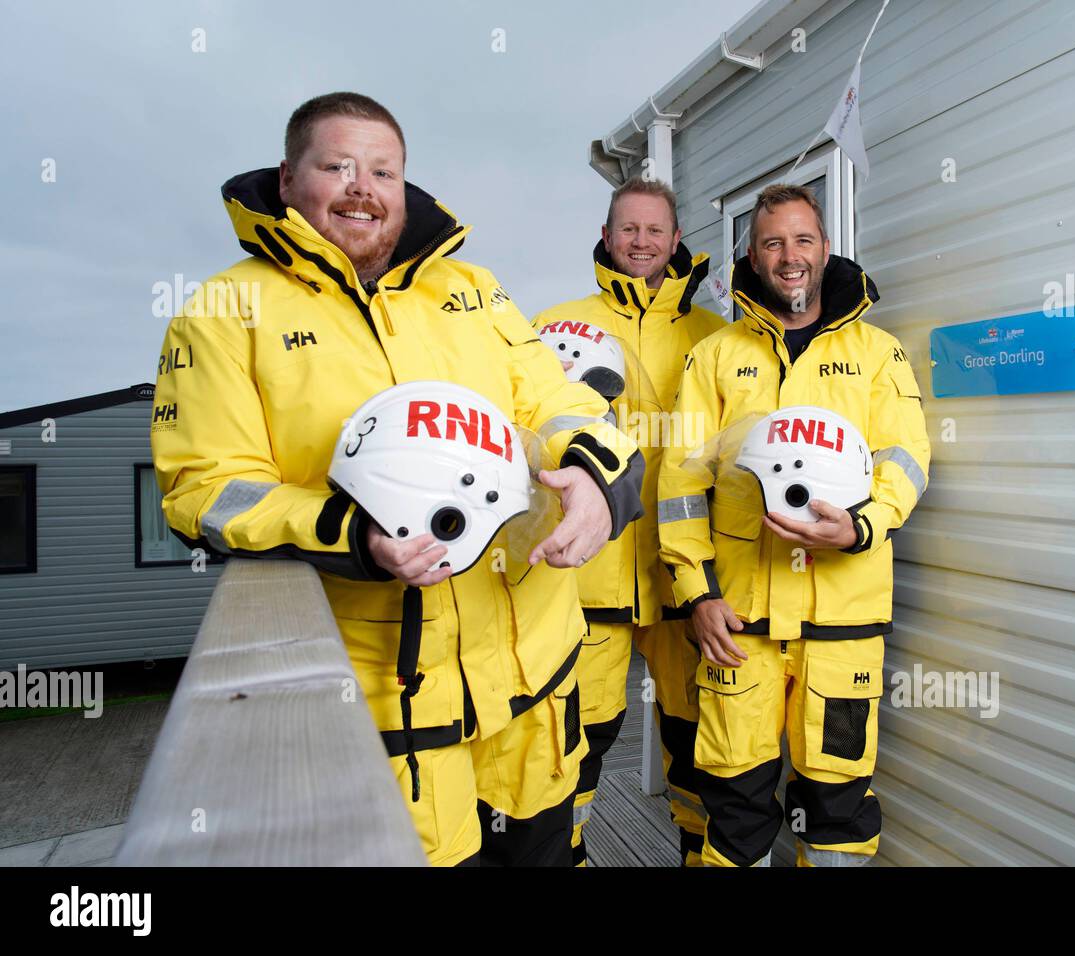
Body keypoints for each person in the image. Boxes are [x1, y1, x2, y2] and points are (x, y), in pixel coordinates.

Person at [151, 92, 644, 866]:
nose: (362, 186)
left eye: (382, 169)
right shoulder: (223, 312)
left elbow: (555, 399)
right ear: (287, 179)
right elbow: (205, 491)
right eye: (336, 165)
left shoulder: (471, 290)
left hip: (534, 682)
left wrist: (590, 472)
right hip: (388, 707)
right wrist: (351, 533)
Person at [657, 183, 930, 866]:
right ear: (751, 254)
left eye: (803, 239)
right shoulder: (716, 356)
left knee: (835, 807)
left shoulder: (876, 353)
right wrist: (697, 593)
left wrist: (860, 528)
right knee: (733, 802)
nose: (790, 256)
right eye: (773, 242)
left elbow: (907, 457)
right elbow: (682, 482)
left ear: (826, 248)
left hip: (844, 623)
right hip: (740, 622)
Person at [532, 179, 722, 866]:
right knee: (574, 744)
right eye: (628, 229)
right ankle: (568, 855)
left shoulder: (717, 336)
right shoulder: (556, 327)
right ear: (607, 236)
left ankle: (699, 856)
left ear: (676, 240)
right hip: (589, 578)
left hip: (684, 583)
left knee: (698, 741)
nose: (641, 241)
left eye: (654, 230)